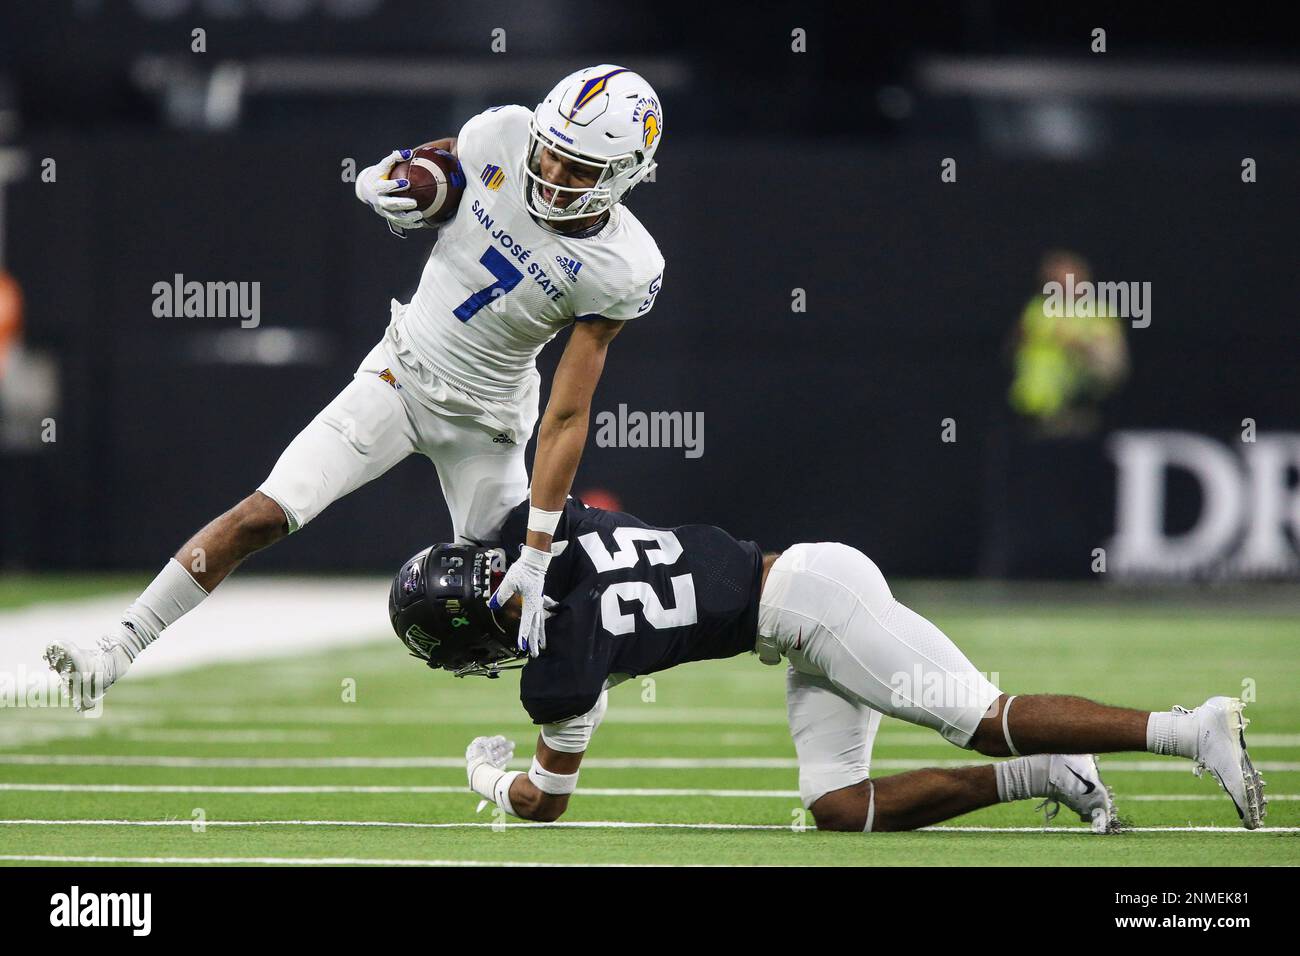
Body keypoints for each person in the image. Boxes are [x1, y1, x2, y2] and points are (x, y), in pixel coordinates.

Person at [47, 66, 667, 709]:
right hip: (398, 376)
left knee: (538, 591)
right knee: (265, 512)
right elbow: (444, 166)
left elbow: (567, 415)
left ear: (623, 174)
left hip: (491, 423)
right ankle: (114, 651)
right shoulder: (504, 135)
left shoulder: (623, 266)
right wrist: (393, 175)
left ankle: (571, 730)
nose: (551, 176)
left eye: (578, 169)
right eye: (549, 152)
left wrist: (535, 555)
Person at [389, 497, 1266, 833]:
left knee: (978, 718)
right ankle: (1051, 776)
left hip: (809, 604)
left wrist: (486, 778)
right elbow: (572, 506)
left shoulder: (556, 678)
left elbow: (546, 804)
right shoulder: (550, 539)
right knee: (840, 807)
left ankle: (1190, 730)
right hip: (795, 601)